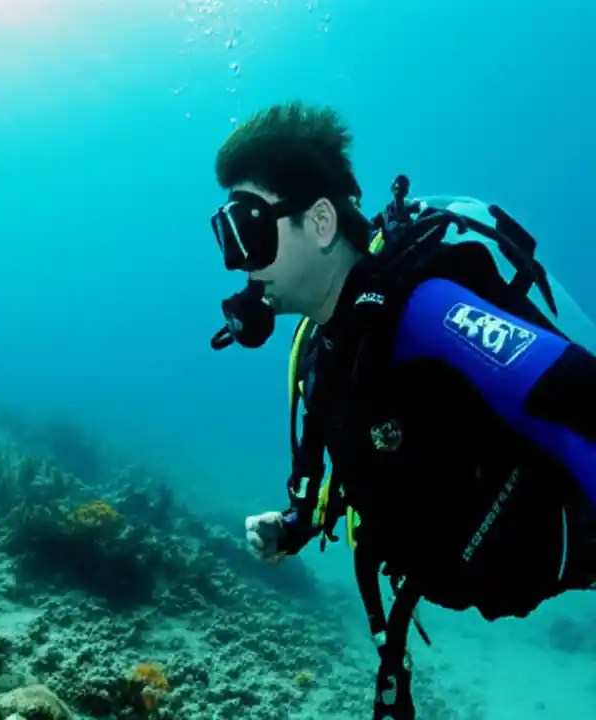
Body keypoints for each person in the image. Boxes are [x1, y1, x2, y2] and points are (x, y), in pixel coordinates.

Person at [204, 101, 596, 720]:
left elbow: (582, 399)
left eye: (248, 230)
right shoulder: (320, 349)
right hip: (457, 574)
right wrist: (297, 524)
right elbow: (358, 461)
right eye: (225, 235)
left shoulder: (425, 311)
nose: (238, 262)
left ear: (323, 220)